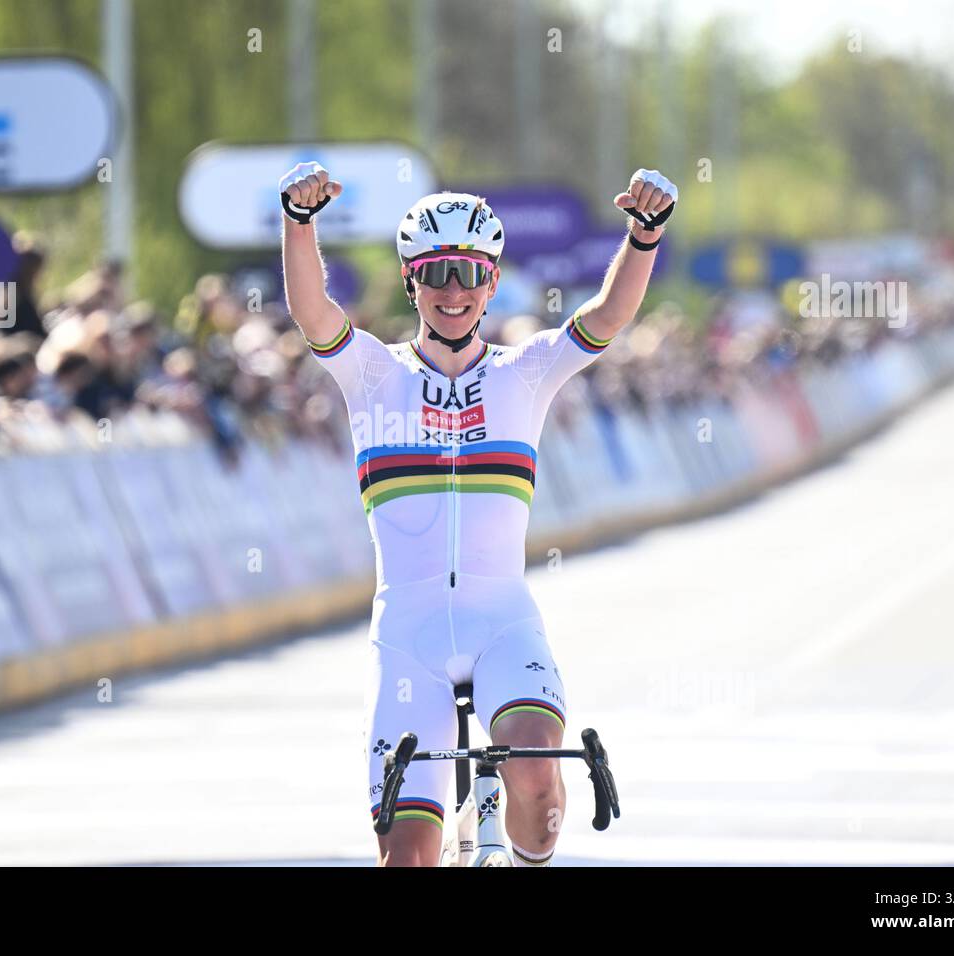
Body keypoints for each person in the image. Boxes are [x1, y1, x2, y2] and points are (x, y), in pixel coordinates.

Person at [280, 161, 676, 867]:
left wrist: (642, 237)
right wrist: (299, 221)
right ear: (411, 283)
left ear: (493, 281)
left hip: (503, 627)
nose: (454, 292)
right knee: (406, 859)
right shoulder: (374, 376)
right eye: (435, 274)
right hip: (408, 640)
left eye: (469, 273)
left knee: (537, 781)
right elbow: (314, 313)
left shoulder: (524, 372)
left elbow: (608, 317)